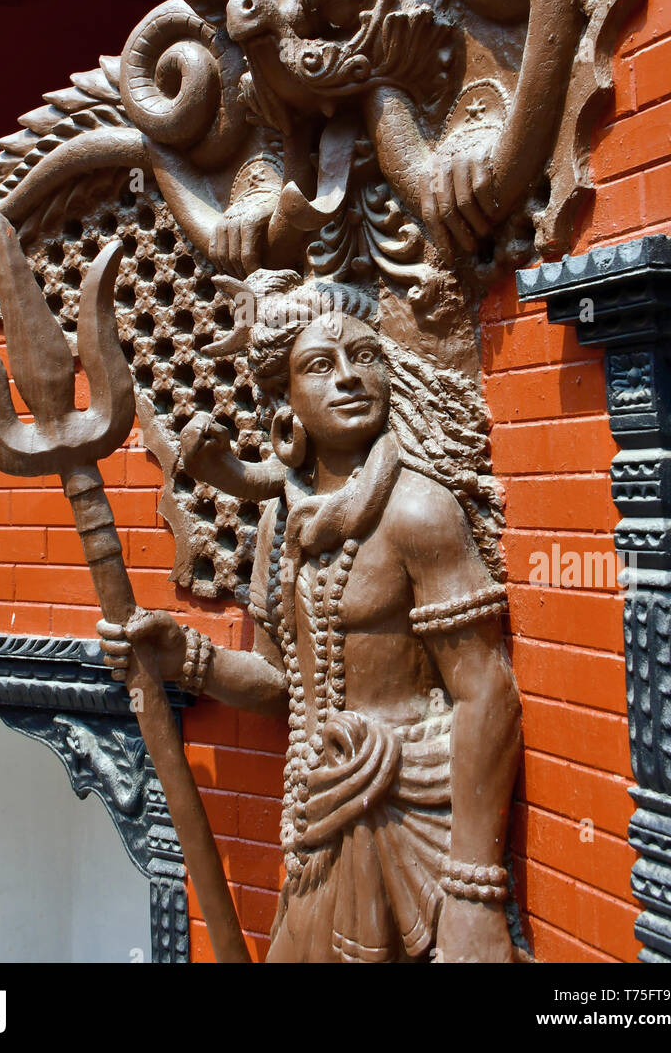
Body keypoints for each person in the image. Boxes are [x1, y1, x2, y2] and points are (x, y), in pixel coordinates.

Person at [99, 273, 521, 963]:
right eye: (320, 366)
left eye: (366, 359)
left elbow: (487, 693)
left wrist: (476, 892)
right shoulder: (280, 523)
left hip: (413, 819)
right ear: (286, 402)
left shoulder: (418, 512)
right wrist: (187, 659)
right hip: (319, 820)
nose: (349, 379)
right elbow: (279, 682)